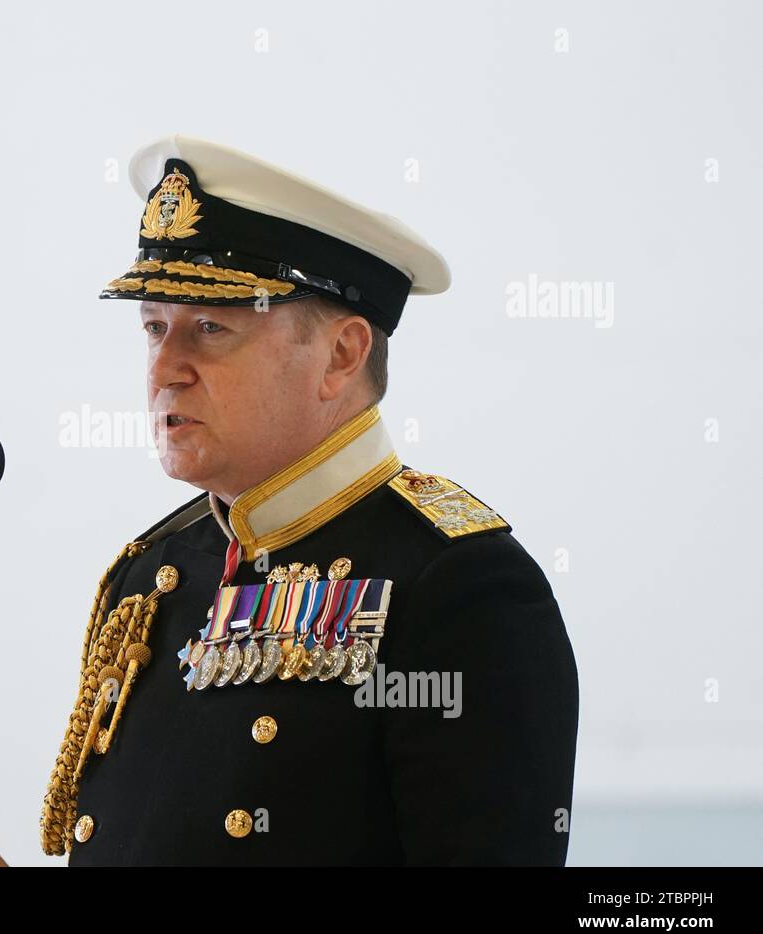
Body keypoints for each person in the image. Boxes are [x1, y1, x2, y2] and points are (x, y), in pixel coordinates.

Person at [40, 134, 579, 865]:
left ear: (341, 354)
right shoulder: (151, 575)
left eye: (209, 329)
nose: (165, 369)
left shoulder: (454, 584)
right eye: (154, 329)